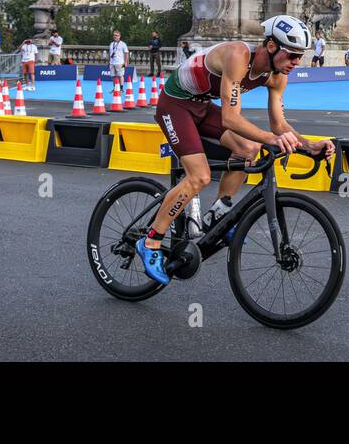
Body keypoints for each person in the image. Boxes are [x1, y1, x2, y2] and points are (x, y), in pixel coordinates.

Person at [138, 16, 335, 284]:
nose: (296, 63)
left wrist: (310, 145)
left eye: (300, 57)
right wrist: (271, 139)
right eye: (292, 55)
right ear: (271, 46)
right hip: (176, 105)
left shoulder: (277, 77)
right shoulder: (238, 55)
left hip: (203, 106)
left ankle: (218, 212)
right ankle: (150, 241)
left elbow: (278, 125)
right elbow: (230, 118)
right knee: (199, 177)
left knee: (249, 147)